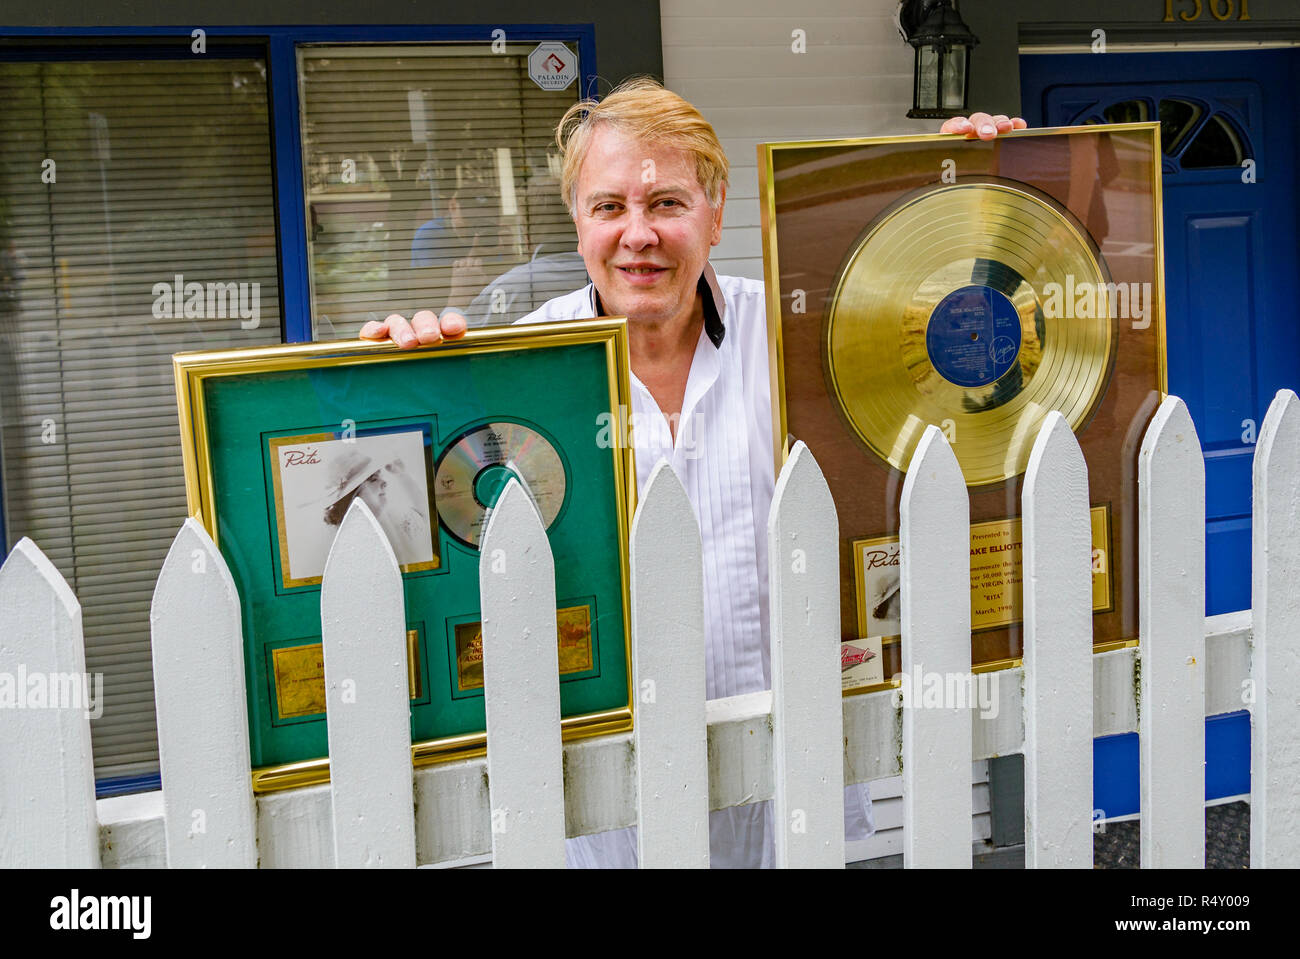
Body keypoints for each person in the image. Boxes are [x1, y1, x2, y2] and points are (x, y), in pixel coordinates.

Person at [362, 77, 1025, 867]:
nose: (638, 233)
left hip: (793, 782)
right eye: (609, 206)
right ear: (578, 222)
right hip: (606, 804)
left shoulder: (803, 334)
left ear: (715, 215)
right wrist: (405, 384)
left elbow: (957, 372)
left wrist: (972, 191)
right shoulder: (515, 370)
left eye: (666, 203)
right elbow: (432, 550)